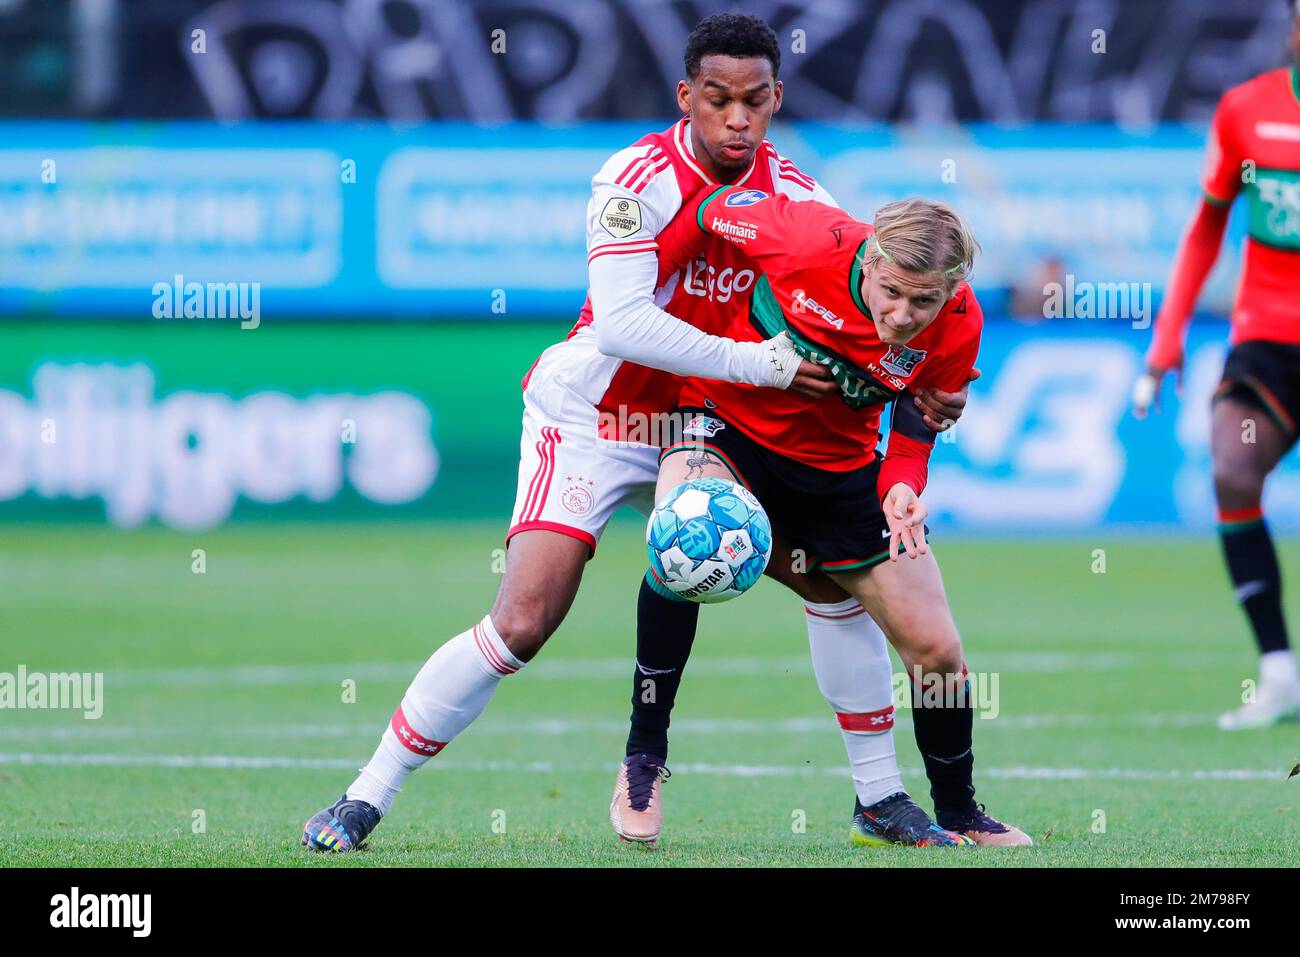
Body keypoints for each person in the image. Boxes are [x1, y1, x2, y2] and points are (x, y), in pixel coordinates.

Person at [301, 14, 970, 852]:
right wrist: (759, 364)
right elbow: (620, 323)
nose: (737, 120)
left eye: (755, 102)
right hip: (599, 412)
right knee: (523, 620)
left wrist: (924, 398)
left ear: (775, 101)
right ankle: (366, 795)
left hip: (713, 421)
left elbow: (869, 321)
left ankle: (877, 795)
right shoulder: (634, 177)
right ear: (686, 96)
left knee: (834, 586)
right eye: (718, 100)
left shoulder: (802, 199)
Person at [622, 182, 1032, 846]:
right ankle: (643, 756)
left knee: (939, 652)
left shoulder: (960, 325)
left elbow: (916, 426)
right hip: (724, 425)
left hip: (839, 469)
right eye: (891, 291)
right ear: (868, 259)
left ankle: (954, 810)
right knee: (684, 532)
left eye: (923, 300)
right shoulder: (803, 236)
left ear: (952, 290)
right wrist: (645, 311)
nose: (901, 314)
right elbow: (704, 211)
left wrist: (902, 486)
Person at [1133, 0, 1300, 730]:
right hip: (1265, 335)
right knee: (1233, 468)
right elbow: (1205, 230)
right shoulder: (1247, 110)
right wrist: (1166, 340)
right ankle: (1278, 669)